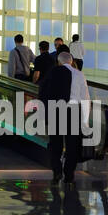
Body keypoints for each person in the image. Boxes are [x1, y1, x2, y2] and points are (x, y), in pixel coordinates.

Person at [40, 49, 80, 184]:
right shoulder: (78, 74)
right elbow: (85, 98)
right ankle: (69, 174)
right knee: (72, 145)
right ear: (72, 61)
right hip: (73, 112)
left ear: (58, 61)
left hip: (54, 111)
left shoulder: (51, 73)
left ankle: (57, 171)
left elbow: (43, 92)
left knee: (55, 143)